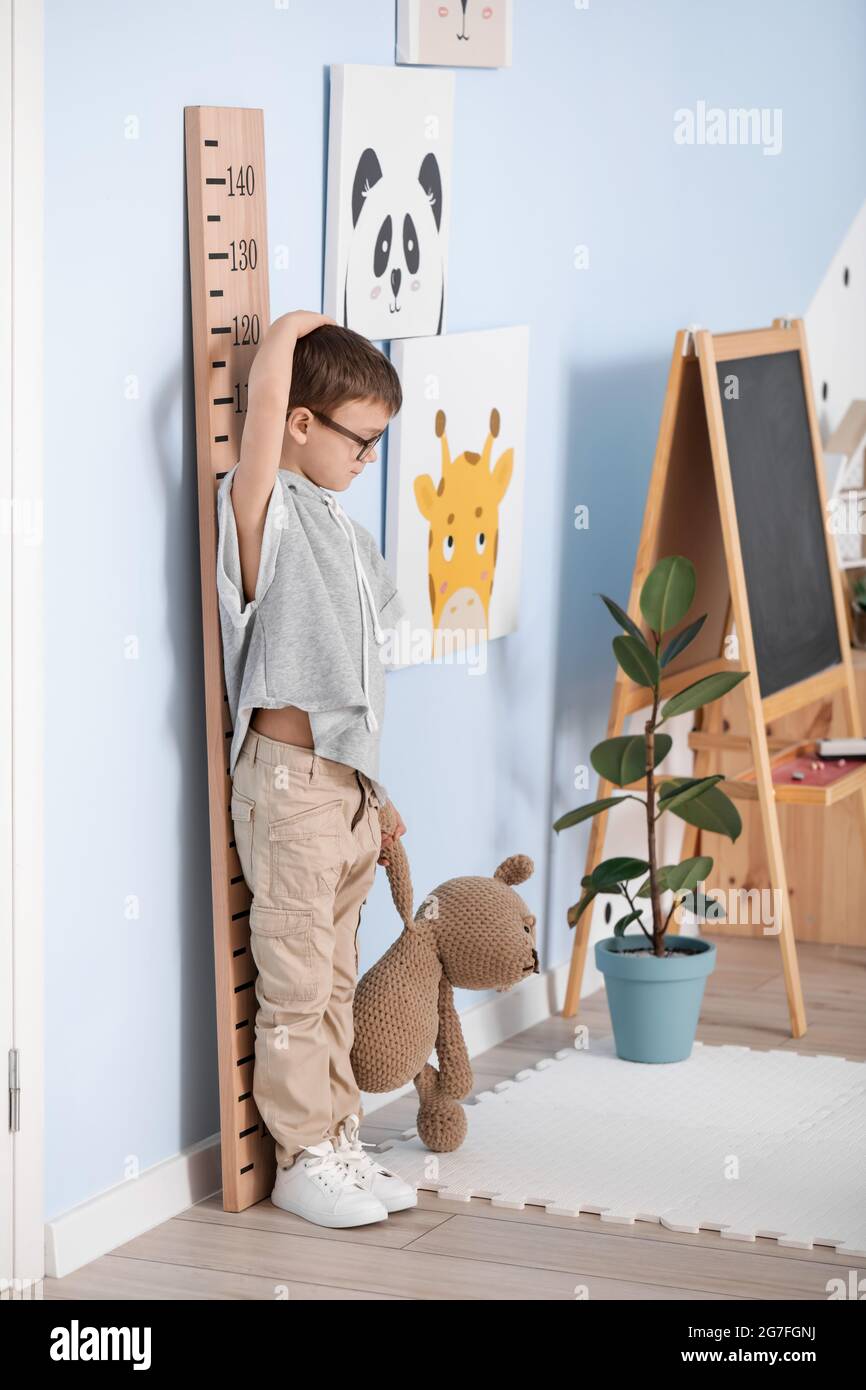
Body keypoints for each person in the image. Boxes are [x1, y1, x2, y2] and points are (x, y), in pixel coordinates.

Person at [216, 311, 416, 1228]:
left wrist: (376, 796)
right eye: (361, 440)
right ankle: (299, 1157)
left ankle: (336, 1134)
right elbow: (263, 401)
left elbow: (360, 684)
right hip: (290, 787)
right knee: (295, 984)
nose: (369, 459)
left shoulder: (340, 529)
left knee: (334, 977)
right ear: (302, 425)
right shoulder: (267, 509)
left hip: (342, 789)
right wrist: (300, 326)